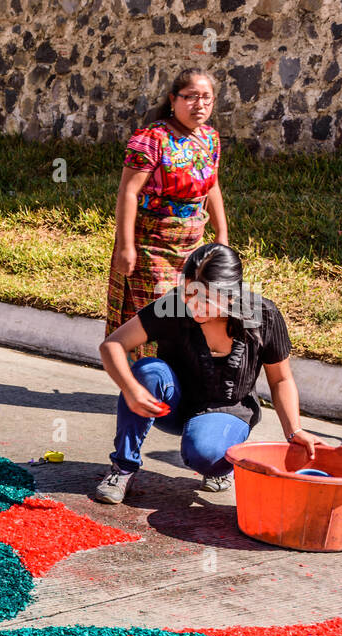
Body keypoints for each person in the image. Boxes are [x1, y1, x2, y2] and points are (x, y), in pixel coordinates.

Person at [94, 243, 320, 505]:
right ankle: (123, 468)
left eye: (207, 299)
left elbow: (280, 379)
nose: (194, 305)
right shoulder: (173, 306)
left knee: (206, 455)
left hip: (228, 409)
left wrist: (294, 431)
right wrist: (131, 389)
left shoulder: (264, 315)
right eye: (190, 294)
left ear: (231, 296)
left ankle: (219, 465)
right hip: (174, 405)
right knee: (148, 372)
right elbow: (112, 345)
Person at [108, 67, 228, 362]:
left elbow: (211, 186)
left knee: (188, 311)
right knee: (157, 312)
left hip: (193, 247)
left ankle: (176, 383)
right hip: (152, 245)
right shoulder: (151, 138)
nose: (199, 105)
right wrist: (125, 246)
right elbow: (128, 192)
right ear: (173, 99)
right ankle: (148, 379)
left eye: (206, 98)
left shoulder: (210, 139)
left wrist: (221, 233)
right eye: (191, 97)